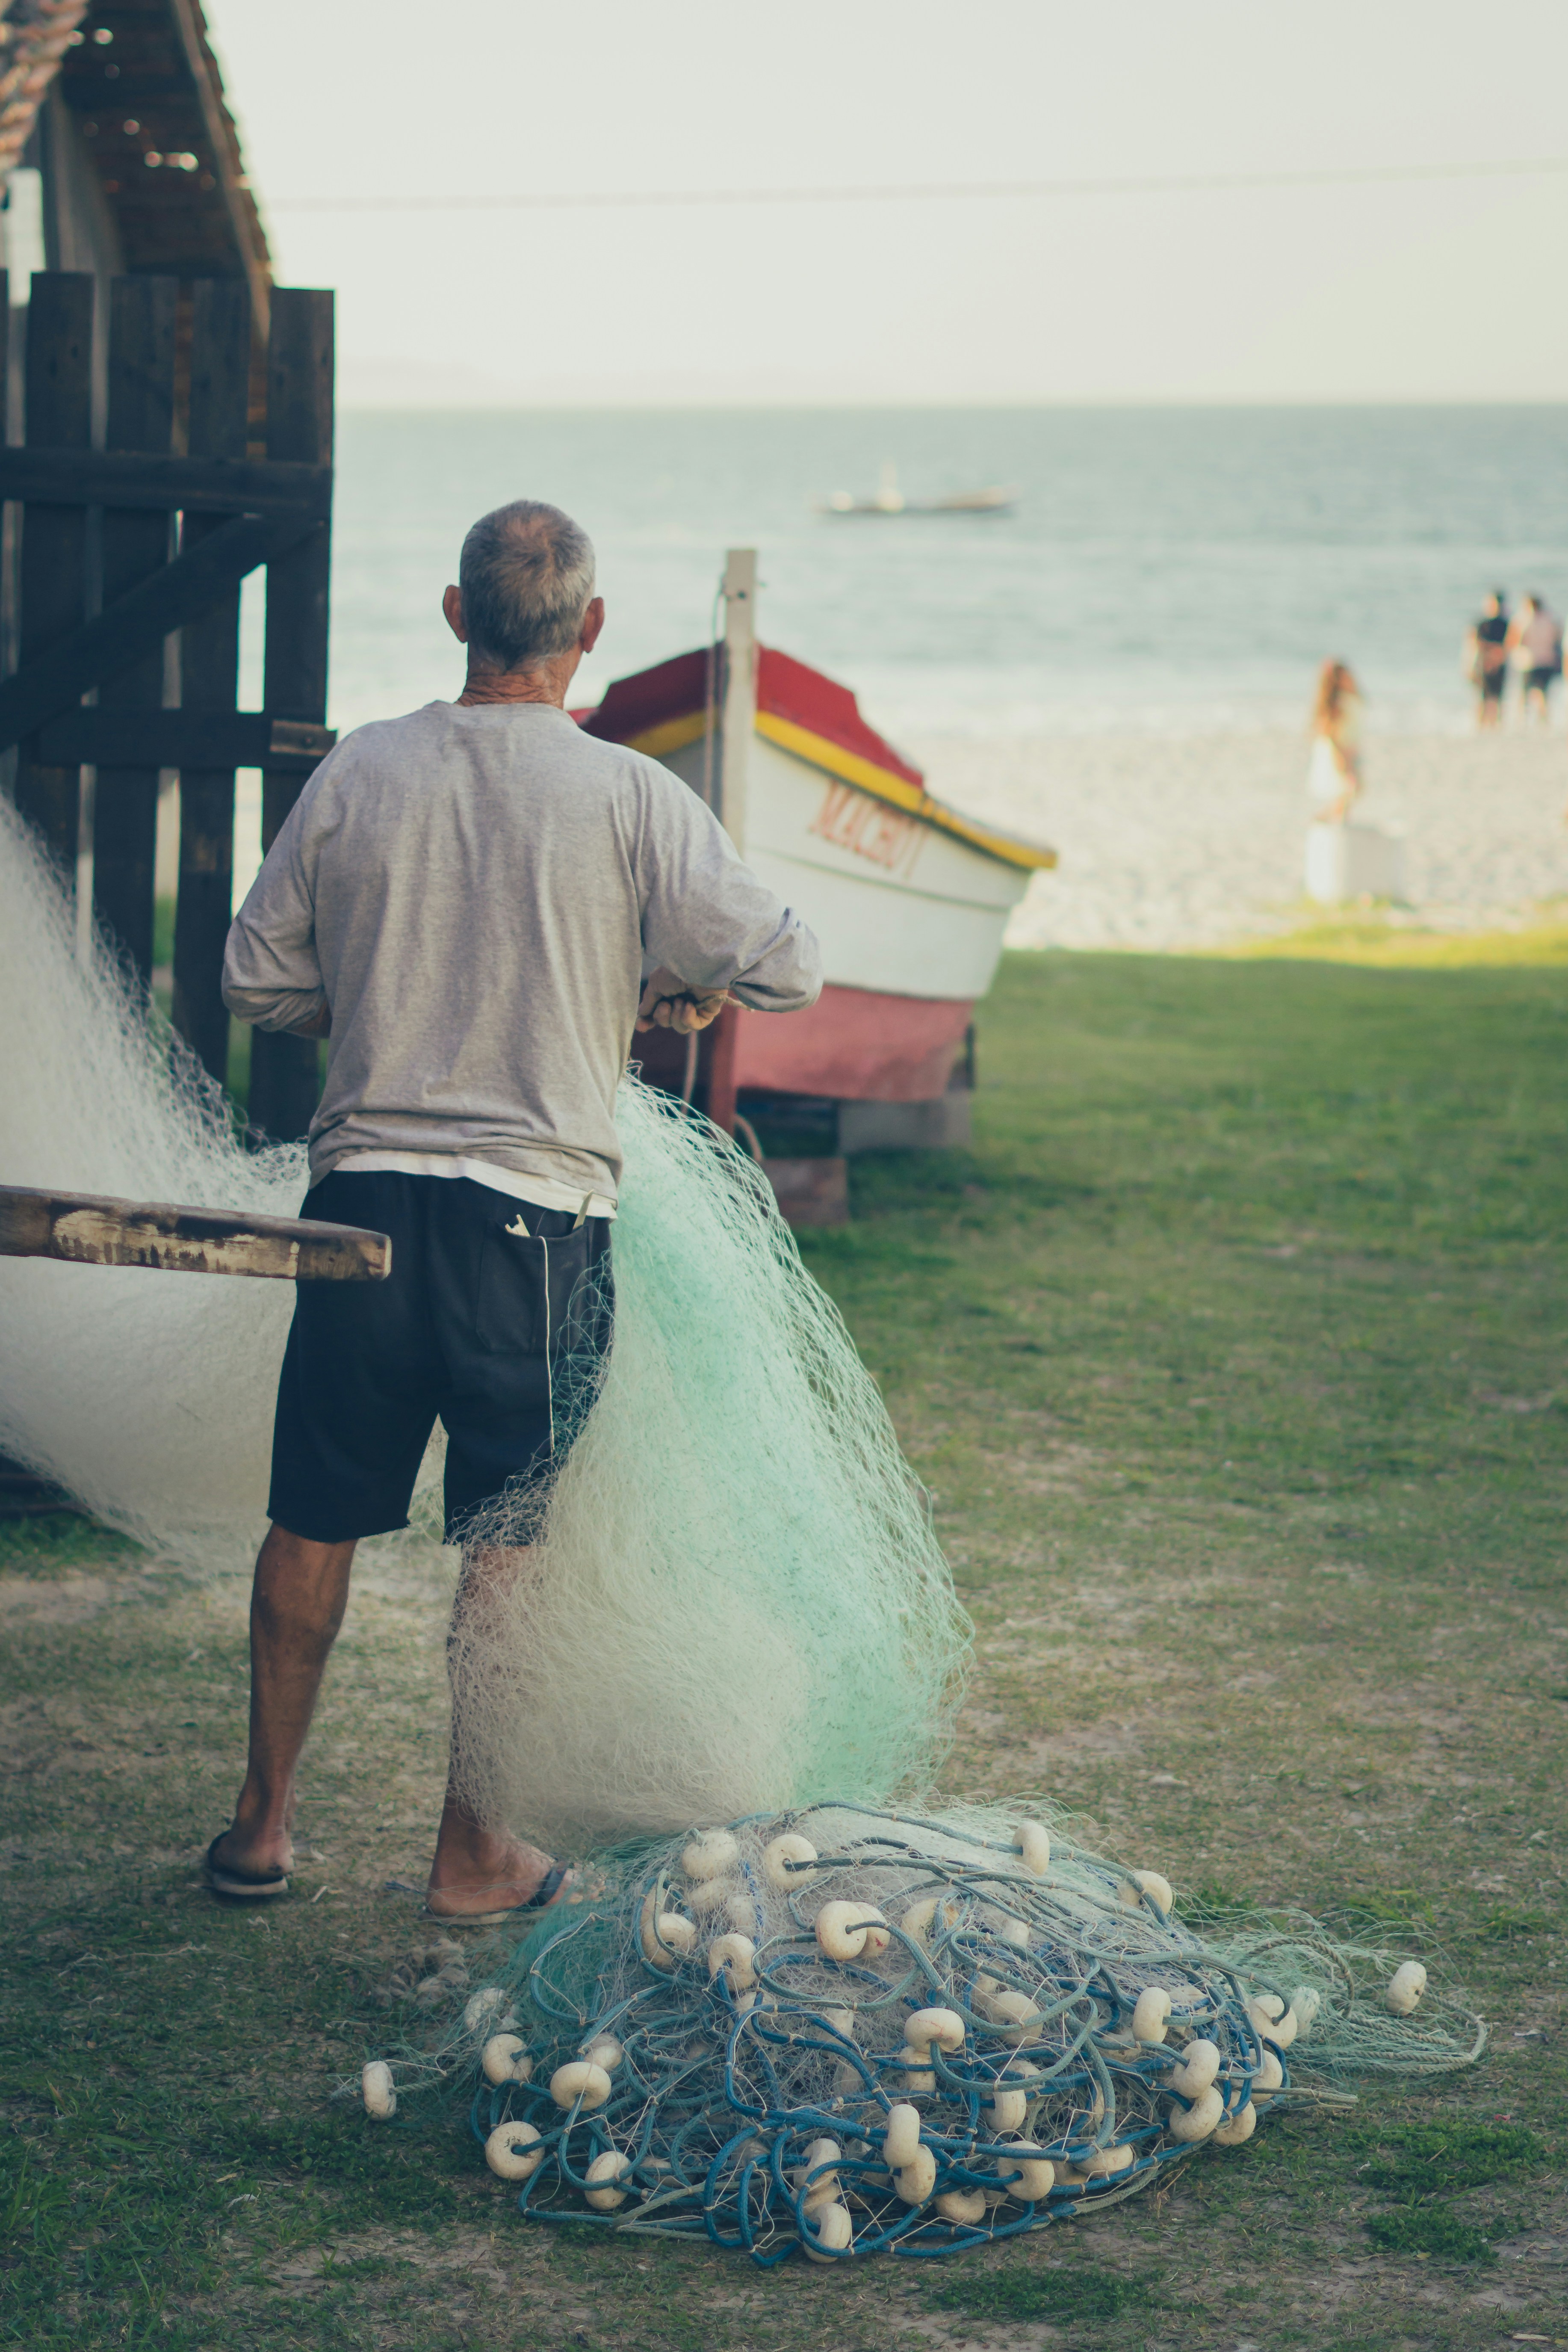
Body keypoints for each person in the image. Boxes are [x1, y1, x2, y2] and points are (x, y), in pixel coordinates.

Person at [210, 500, 823, 1921]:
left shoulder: (363, 769)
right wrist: (656, 969)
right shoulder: (628, 796)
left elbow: (255, 973)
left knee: (312, 1516)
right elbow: (785, 959)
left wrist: (372, 1001)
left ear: (453, 612)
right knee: (507, 1548)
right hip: (529, 1234)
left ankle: (260, 1821)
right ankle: (472, 1849)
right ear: (591, 630)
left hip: (358, 1210)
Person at [1307, 660, 1364, 823]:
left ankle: (1327, 820)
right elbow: (1335, 738)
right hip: (1340, 751)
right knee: (1348, 791)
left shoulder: (1348, 699)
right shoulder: (1338, 705)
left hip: (1348, 749)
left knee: (1349, 793)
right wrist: (1345, 762)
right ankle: (1329, 823)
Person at [1506, 592, 1562, 725]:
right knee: (1543, 694)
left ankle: (1523, 721)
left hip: (1528, 662)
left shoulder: (1523, 619)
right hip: (1547, 660)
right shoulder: (1551, 619)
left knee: (1525, 694)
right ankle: (1544, 721)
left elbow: (1514, 641)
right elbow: (1558, 640)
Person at [1464, 591, 1510, 729]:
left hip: (1499, 665)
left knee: (1498, 699)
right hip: (1483, 665)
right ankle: (1480, 726)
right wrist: (1469, 666)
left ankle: (1496, 726)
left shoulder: (1506, 624)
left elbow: (1510, 644)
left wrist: (1497, 656)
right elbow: (1474, 645)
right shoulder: (1482, 624)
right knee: (1482, 699)